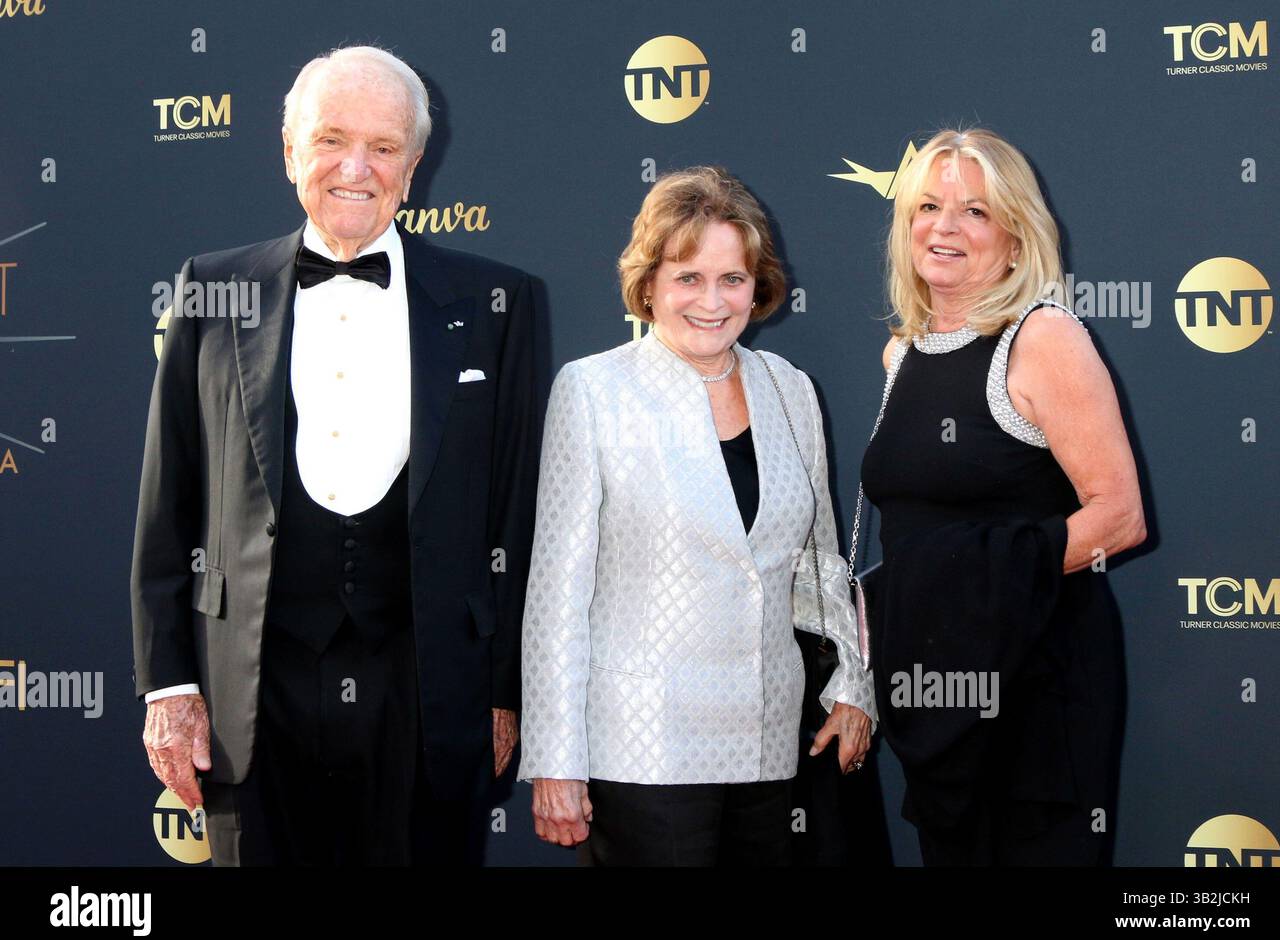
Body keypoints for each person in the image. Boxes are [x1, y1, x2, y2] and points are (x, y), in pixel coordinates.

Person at [130, 45, 540, 866]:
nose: (356, 167)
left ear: (415, 165)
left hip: (427, 692)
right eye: (331, 140)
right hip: (252, 687)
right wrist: (169, 686)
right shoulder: (211, 291)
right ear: (289, 153)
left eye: (384, 147)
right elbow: (167, 504)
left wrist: (503, 691)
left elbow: (514, 512)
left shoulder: (498, 304)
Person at [519, 167, 876, 866]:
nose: (712, 302)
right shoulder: (594, 391)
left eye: (732, 280)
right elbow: (557, 596)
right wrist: (556, 758)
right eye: (688, 277)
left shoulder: (791, 390)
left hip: (769, 742)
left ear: (758, 285)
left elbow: (818, 563)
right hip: (642, 748)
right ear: (648, 284)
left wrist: (852, 683)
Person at [858, 128, 1146, 865]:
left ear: (1016, 239)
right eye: (928, 205)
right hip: (938, 693)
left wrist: (963, 578)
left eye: (975, 212)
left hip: (1036, 686)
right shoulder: (901, 352)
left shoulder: (1044, 338)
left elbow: (1120, 518)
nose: (944, 227)